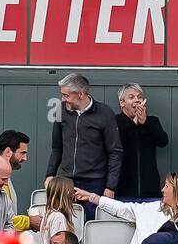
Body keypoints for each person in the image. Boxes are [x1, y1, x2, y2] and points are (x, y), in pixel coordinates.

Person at [47, 73, 123, 219]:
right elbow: (56, 147)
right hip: (66, 181)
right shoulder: (60, 110)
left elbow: (115, 151)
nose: (63, 99)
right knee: (64, 222)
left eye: (66, 95)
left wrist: (110, 186)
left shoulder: (104, 113)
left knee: (92, 223)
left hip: (95, 182)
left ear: (81, 94)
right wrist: (50, 174)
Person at [115, 84, 169, 201]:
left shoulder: (152, 121)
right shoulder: (114, 121)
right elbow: (116, 141)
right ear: (122, 103)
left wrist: (145, 122)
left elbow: (163, 141)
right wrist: (134, 123)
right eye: (131, 97)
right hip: (123, 190)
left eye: (139, 97)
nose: (137, 100)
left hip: (150, 190)